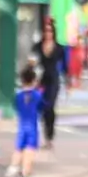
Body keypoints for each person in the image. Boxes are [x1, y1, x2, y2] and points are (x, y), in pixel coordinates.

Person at [32, 18, 67, 148]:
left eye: (50, 31)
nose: (48, 34)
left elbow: (64, 66)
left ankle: (49, 136)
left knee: (50, 107)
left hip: (53, 80)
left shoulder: (59, 48)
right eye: (46, 31)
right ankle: (40, 133)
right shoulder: (37, 47)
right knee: (40, 108)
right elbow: (32, 62)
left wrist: (69, 81)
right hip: (39, 80)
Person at [7, 66, 43, 177]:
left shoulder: (18, 96)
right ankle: (25, 174)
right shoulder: (37, 95)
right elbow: (43, 107)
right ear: (34, 80)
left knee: (19, 148)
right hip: (32, 127)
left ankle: (12, 170)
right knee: (30, 150)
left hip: (22, 126)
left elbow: (15, 106)